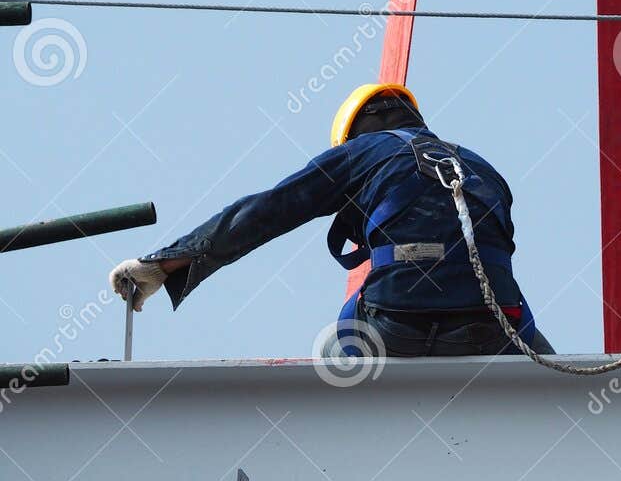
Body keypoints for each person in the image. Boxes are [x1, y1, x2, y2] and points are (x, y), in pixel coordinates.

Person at [108, 83, 554, 358]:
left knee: (334, 341)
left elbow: (266, 211)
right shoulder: (481, 166)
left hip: (395, 324)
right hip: (491, 329)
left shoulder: (362, 153)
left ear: (354, 132)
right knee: (522, 319)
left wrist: (165, 263)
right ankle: (573, 412)